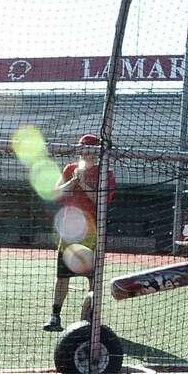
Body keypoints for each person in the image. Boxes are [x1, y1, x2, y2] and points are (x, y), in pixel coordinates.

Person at [43, 133, 115, 331]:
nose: (85, 153)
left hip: (92, 232)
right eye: (82, 149)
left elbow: (101, 201)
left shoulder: (105, 173)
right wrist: (73, 181)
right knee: (62, 276)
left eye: (89, 150)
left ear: (96, 153)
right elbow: (57, 193)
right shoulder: (70, 169)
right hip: (69, 230)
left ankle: (89, 320)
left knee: (92, 278)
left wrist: (82, 183)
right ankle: (55, 317)